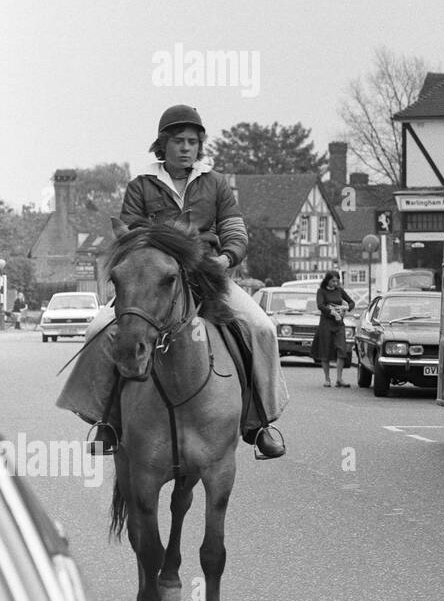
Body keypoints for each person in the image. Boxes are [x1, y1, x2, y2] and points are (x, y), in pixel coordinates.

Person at [56, 105, 287, 458]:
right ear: (162, 145)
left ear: (200, 146)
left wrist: (227, 258)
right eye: (178, 141)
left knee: (261, 327)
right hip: (154, 279)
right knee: (98, 329)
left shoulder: (216, 184)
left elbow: (234, 228)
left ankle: (260, 423)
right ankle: (107, 421)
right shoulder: (141, 185)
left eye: (193, 141)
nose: (186, 148)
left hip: (207, 274)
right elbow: (129, 234)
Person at [311, 271, 354, 387]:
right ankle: (327, 379)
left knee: (342, 350)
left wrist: (345, 307)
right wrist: (332, 312)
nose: (335, 283)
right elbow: (320, 305)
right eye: (333, 281)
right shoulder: (321, 291)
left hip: (339, 324)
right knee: (325, 351)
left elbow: (352, 303)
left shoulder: (339, 290)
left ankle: (339, 379)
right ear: (327, 280)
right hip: (326, 324)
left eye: (337, 281)